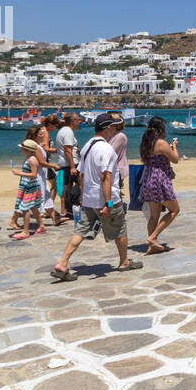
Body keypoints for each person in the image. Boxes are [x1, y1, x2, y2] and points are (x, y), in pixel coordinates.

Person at [50, 112, 142, 280]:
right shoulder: (106, 149)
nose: (115, 130)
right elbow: (105, 177)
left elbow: (81, 174)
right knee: (120, 228)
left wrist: (84, 196)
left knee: (81, 231)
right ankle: (124, 262)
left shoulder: (87, 146)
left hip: (89, 198)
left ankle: (62, 263)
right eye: (114, 126)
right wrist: (108, 203)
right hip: (106, 199)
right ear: (107, 128)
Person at [138, 116, 180, 254]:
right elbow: (175, 160)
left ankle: (152, 246)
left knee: (154, 216)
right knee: (174, 210)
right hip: (160, 180)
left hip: (148, 179)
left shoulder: (146, 142)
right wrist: (174, 147)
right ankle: (152, 237)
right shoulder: (161, 143)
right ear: (160, 129)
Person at [11, 139, 45, 239]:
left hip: (31, 187)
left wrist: (19, 173)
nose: (21, 150)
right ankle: (42, 226)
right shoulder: (29, 158)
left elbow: (34, 175)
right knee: (33, 207)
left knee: (24, 208)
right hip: (28, 186)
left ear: (28, 150)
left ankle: (25, 231)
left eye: (23, 148)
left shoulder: (32, 160)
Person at [40, 115, 65, 225]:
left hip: (43, 162)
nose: (55, 128)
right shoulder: (45, 132)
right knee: (53, 186)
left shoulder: (41, 130)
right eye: (55, 126)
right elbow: (45, 149)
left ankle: (47, 209)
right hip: (45, 163)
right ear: (50, 125)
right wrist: (59, 150)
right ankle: (48, 210)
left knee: (49, 185)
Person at [54, 113, 80, 217]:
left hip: (65, 163)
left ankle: (68, 209)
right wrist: (73, 166)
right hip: (70, 164)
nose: (80, 122)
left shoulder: (63, 131)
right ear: (73, 121)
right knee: (80, 185)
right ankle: (72, 208)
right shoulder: (68, 132)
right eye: (78, 120)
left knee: (67, 187)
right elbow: (67, 150)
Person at [108, 114, 130, 195]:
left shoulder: (120, 136)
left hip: (117, 169)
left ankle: (117, 206)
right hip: (111, 168)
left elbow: (111, 151)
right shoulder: (111, 136)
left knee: (114, 193)